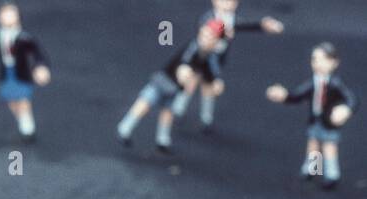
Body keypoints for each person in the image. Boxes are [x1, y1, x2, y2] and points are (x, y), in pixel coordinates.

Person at [116, 19, 226, 153]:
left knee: (168, 112)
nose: (206, 39)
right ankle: (125, 127)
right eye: (205, 34)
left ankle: (162, 140)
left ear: (216, 42)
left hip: (175, 89)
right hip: (163, 81)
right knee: (145, 103)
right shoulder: (194, 47)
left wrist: (216, 81)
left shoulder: (210, 56)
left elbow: (212, 71)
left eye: (211, 37)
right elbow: (185, 60)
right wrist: (184, 69)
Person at [172, 0, 283, 132]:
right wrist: (223, 32)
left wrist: (263, 25)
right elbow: (207, 32)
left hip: (216, 58)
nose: (228, 4)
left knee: (209, 87)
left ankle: (206, 118)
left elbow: (245, 25)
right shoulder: (208, 17)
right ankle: (178, 108)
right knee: (190, 82)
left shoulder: (231, 19)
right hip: (201, 56)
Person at [266, 43, 358, 190]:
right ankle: (313, 169)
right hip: (315, 120)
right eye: (315, 59)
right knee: (313, 145)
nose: (318, 64)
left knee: (329, 147)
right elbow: (298, 95)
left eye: (323, 60)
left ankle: (332, 175)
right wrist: (285, 96)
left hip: (329, 122)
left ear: (334, 63)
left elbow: (352, 99)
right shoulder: (313, 83)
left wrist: (346, 109)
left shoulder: (336, 84)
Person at [0, 3, 52, 142]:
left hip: (21, 73)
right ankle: (22, 120)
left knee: (23, 99)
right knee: (11, 100)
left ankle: (28, 126)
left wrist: (40, 67)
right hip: (7, 73)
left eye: (11, 14)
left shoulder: (25, 38)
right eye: (4, 14)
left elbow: (38, 53)